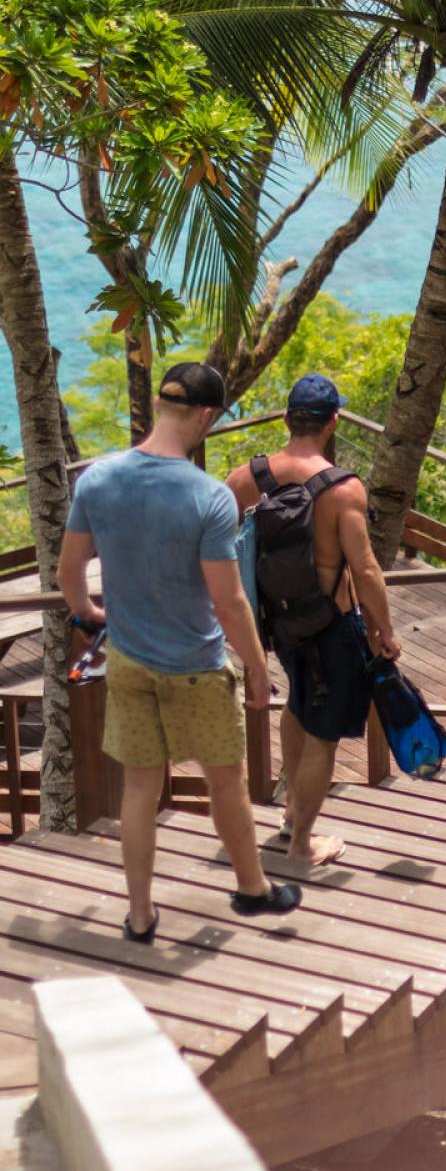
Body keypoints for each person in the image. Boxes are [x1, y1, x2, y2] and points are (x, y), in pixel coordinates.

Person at [58, 362, 302, 942]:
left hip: (128, 660)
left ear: (160, 405)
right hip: (196, 666)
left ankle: (141, 915)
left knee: (141, 788)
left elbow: (69, 572)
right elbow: (228, 601)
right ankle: (252, 888)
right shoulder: (207, 497)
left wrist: (89, 613)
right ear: (205, 416)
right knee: (226, 782)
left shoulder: (97, 480)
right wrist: (257, 667)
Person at [225, 374, 401, 866]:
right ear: (333, 423)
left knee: (301, 704)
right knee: (323, 733)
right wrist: (384, 630)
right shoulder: (343, 489)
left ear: (287, 419)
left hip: (279, 624)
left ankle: (290, 816)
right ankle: (302, 842)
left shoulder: (244, 479)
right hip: (331, 625)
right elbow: (365, 569)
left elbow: (218, 548)